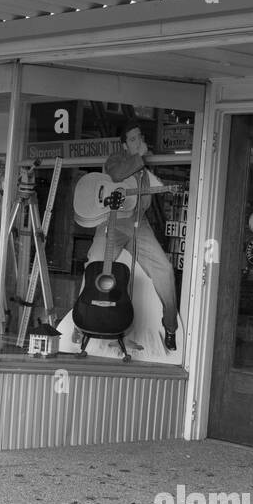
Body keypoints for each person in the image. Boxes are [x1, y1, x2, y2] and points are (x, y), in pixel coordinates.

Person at [87, 118, 179, 351]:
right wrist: (140, 158)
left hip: (140, 225)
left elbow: (152, 192)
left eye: (140, 137)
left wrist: (169, 189)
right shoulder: (117, 159)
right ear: (124, 145)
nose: (139, 141)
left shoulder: (143, 170)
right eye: (133, 138)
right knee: (93, 267)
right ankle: (83, 323)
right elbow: (117, 174)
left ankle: (170, 326)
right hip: (113, 222)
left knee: (165, 269)